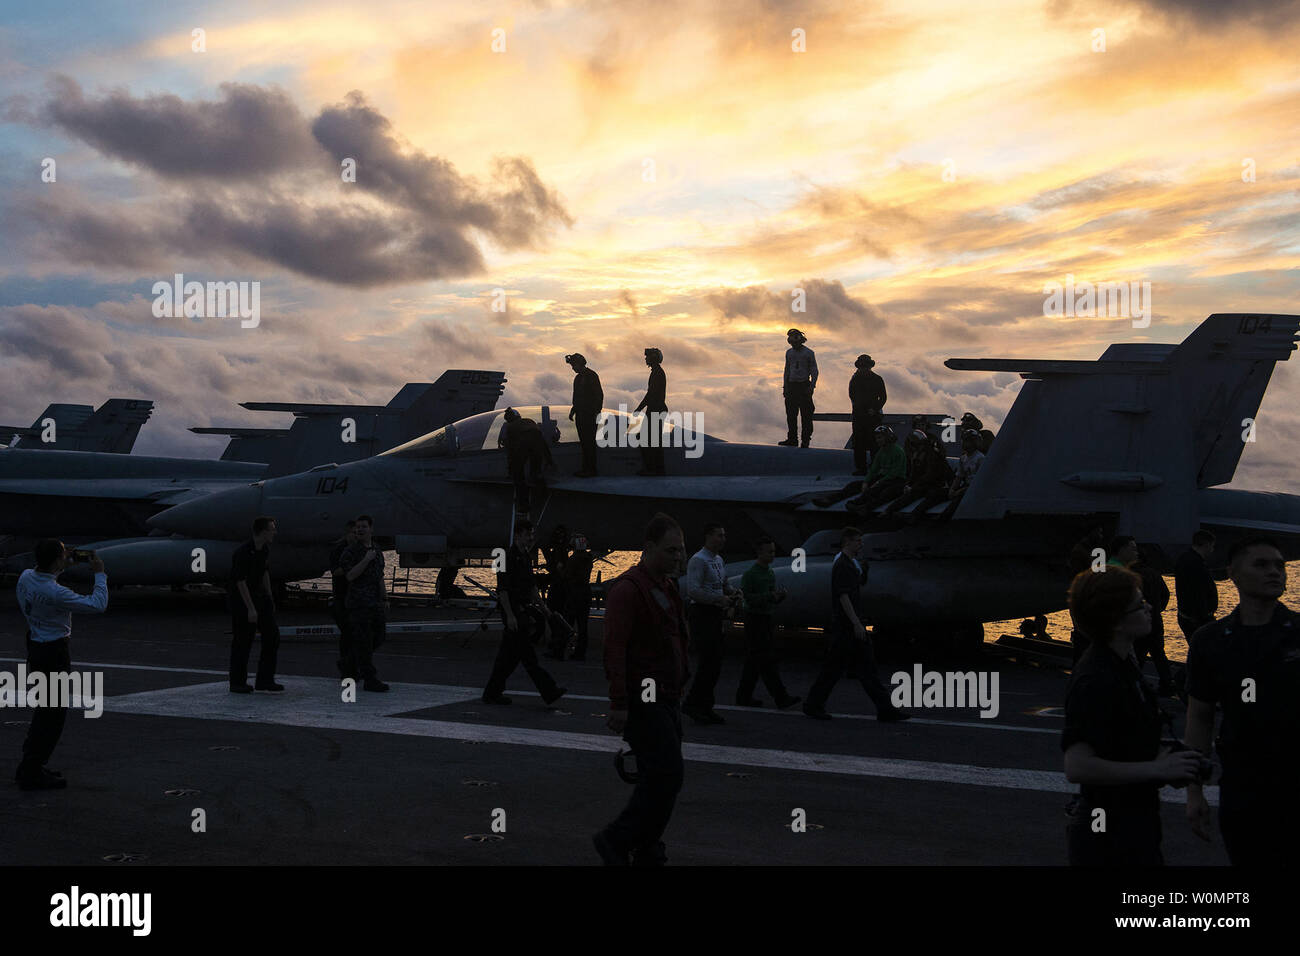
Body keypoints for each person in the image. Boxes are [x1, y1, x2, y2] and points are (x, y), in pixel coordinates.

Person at [1062, 568, 1202, 865]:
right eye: (1139, 604)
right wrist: (1158, 770)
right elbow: (1078, 766)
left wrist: (1172, 759)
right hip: (1108, 836)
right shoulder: (1096, 678)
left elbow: (1121, 742)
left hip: (1134, 822)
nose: (1149, 607)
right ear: (1115, 618)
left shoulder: (1124, 665)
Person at [1184, 536, 1298, 866]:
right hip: (1243, 788)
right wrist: (1194, 793)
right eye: (1261, 564)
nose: (1275, 572)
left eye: (1280, 565)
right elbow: (1200, 718)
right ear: (1232, 573)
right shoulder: (1212, 641)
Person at [593, 512, 690, 866]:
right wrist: (618, 703)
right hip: (644, 697)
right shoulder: (627, 590)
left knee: (661, 778)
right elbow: (614, 649)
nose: (678, 557)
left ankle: (647, 845)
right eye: (670, 551)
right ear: (648, 548)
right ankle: (616, 840)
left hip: (667, 697)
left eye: (681, 551)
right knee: (667, 774)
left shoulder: (666, 586)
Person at [13, 540, 108, 790]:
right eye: (63, 554)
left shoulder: (25, 578)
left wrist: (60, 563)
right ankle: (32, 769)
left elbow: (44, 574)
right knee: (52, 717)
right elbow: (97, 604)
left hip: (36, 644)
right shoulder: (55, 592)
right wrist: (99, 574)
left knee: (44, 712)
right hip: (54, 652)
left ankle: (30, 765)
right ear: (56, 560)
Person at [802, 527, 909, 721]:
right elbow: (843, 595)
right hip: (846, 626)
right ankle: (813, 704)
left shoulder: (850, 563)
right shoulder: (843, 564)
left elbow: (853, 587)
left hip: (849, 625)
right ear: (848, 542)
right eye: (858, 541)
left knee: (861, 668)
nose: (861, 544)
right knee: (840, 668)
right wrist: (856, 623)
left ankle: (885, 709)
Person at [483, 519, 566, 707]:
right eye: (528, 534)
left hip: (522, 609)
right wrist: (510, 615)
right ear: (517, 534)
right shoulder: (503, 557)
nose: (531, 538)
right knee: (528, 657)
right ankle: (549, 691)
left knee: (509, 657)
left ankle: (491, 693)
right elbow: (502, 590)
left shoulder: (527, 557)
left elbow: (531, 587)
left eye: (532, 534)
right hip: (513, 611)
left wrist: (544, 608)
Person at [682, 523, 740, 725]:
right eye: (719, 535)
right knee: (708, 663)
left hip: (715, 614)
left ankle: (705, 706)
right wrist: (719, 600)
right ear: (708, 536)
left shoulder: (718, 560)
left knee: (715, 665)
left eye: (724, 535)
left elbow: (723, 584)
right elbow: (693, 591)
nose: (723, 539)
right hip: (702, 614)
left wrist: (732, 592)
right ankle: (692, 704)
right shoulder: (698, 560)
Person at [736, 537, 801, 709]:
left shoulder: (770, 573)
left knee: (754, 661)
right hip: (754, 620)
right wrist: (771, 597)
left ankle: (744, 696)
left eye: (773, 551)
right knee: (766, 661)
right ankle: (781, 697)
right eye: (769, 551)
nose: (773, 554)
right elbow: (747, 599)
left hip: (766, 619)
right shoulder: (750, 574)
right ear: (760, 552)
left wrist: (778, 597)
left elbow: (768, 598)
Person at [229, 516, 283, 694]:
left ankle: (265, 680)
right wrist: (251, 608)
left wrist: (269, 597)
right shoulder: (243, 552)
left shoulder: (264, 549)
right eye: (272, 529)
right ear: (263, 531)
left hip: (261, 599)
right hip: (243, 601)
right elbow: (240, 581)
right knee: (243, 642)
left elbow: (264, 571)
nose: (274, 532)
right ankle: (237, 682)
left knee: (272, 637)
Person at [338, 514, 390, 692]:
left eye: (364, 527)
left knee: (379, 637)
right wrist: (365, 560)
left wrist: (384, 597)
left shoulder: (377, 550)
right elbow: (350, 575)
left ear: (371, 529)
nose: (360, 530)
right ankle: (370, 678)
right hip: (358, 603)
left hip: (375, 602)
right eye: (358, 527)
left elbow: (379, 575)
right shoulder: (351, 552)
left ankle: (348, 662)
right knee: (364, 640)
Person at [1132, 548, 1173, 694]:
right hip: (1155, 618)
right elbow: (1166, 594)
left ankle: (1134, 682)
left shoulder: (1132, 575)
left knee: (1138, 654)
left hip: (1138, 620)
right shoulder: (1154, 573)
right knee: (1158, 654)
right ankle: (1167, 684)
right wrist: (1158, 609)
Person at [884, 429, 954, 516]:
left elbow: (930, 475)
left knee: (918, 493)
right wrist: (909, 484)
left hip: (935, 484)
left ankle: (910, 515)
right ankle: (889, 511)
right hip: (924, 483)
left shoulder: (932, 455)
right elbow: (914, 473)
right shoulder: (918, 454)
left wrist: (913, 486)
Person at [501, 408, 553, 512]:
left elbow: (511, 450)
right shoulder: (530, 421)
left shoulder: (510, 427)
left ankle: (524, 505)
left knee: (518, 476)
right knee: (536, 472)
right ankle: (544, 495)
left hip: (523, 444)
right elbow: (541, 441)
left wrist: (510, 469)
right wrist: (549, 460)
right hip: (537, 444)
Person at [847, 425, 906, 513]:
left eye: (880, 438)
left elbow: (896, 472)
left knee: (882, 491)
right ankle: (856, 502)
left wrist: (879, 482)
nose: (877, 440)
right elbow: (874, 469)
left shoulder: (898, 451)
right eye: (876, 438)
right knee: (855, 485)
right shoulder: (881, 451)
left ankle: (866, 508)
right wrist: (866, 482)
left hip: (896, 479)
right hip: (884, 477)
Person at [1174, 530, 1218, 643]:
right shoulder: (1196, 564)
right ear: (1206, 544)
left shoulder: (1185, 559)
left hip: (1190, 616)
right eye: (1212, 546)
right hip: (1197, 619)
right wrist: (1204, 617)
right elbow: (1197, 593)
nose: (1212, 550)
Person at [778, 329, 818, 448]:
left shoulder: (808, 353)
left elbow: (814, 370)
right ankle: (792, 439)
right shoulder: (789, 353)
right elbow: (787, 370)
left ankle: (805, 440)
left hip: (803, 386)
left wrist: (812, 386)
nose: (793, 341)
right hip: (792, 386)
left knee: (806, 415)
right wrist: (785, 387)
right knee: (791, 415)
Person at [566, 353, 604, 477]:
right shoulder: (578, 378)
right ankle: (585, 468)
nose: (572, 368)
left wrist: (596, 413)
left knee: (589, 443)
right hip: (581, 415)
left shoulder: (591, 376)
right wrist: (573, 410)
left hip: (589, 416)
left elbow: (599, 396)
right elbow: (577, 397)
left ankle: (591, 470)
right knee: (584, 443)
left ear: (580, 363)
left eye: (573, 365)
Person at [329, 519, 358, 680]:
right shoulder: (339, 549)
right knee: (347, 634)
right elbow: (335, 571)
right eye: (354, 532)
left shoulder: (357, 549)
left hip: (354, 597)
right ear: (348, 533)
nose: (356, 535)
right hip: (341, 597)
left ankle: (350, 666)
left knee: (353, 634)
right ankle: (346, 667)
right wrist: (353, 567)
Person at [849, 355, 886, 475]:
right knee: (859, 442)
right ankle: (861, 468)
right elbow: (852, 395)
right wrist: (859, 408)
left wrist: (874, 409)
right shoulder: (855, 379)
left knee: (875, 442)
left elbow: (883, 397)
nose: (864, 369)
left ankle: (875, 467)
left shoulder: (877, 379)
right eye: (862, 367)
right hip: (859, 415)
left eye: (865, 366)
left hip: (873, 416)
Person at [635, 347, 668, 475]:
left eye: (647, 356)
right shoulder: (656, 372)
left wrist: (639, 408)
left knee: (649, 440)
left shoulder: (657, 373)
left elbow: (651, 394)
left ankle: (653, 469)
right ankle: (655, 468)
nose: (645, 358)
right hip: (655, 410)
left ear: (653, 358)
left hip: (656, 410)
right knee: (651, 440)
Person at [563, 532, 595, 661]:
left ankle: (564, 648)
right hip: (586, 594)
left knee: (568, 623)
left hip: (574, 593)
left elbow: (567, 576)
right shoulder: (588, 558)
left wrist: (560, 569)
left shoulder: (573, 559)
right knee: (583, 626)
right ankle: (580, 652)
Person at [542, 525, 570, 659]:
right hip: (561, 587)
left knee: (555, 617)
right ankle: (557, 646)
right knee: (557, 617)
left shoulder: (559, 551)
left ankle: (557, 648)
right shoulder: (562, 550)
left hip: (558, 588)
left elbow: (558, 570)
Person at [942, 429, 985, 516]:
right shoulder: (963, 458)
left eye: (967, 440)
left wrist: (959, 491)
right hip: (965, 486)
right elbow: (959, 476)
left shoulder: (980, 458)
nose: (964, 443)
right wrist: (952, 489)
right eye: (964, 440)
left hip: (973, 488)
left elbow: (980, 481)